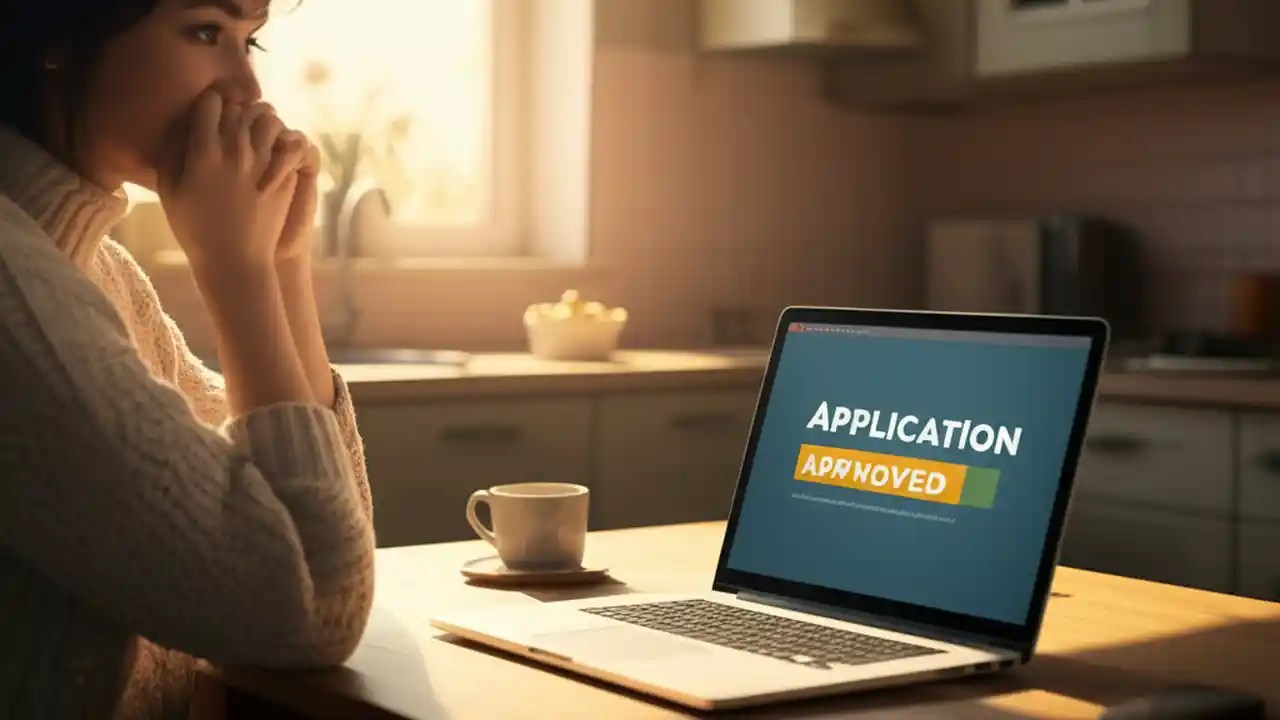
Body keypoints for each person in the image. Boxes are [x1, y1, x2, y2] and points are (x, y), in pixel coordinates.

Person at [0, 0, 376, 717]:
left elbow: (326, 539)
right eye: (206, 32)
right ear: (58, 39)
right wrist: (235, 272)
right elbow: (314, 607)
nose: (248, 91)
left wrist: (280, 261)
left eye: (250, 42)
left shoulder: (96, 270)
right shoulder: (12, 284)